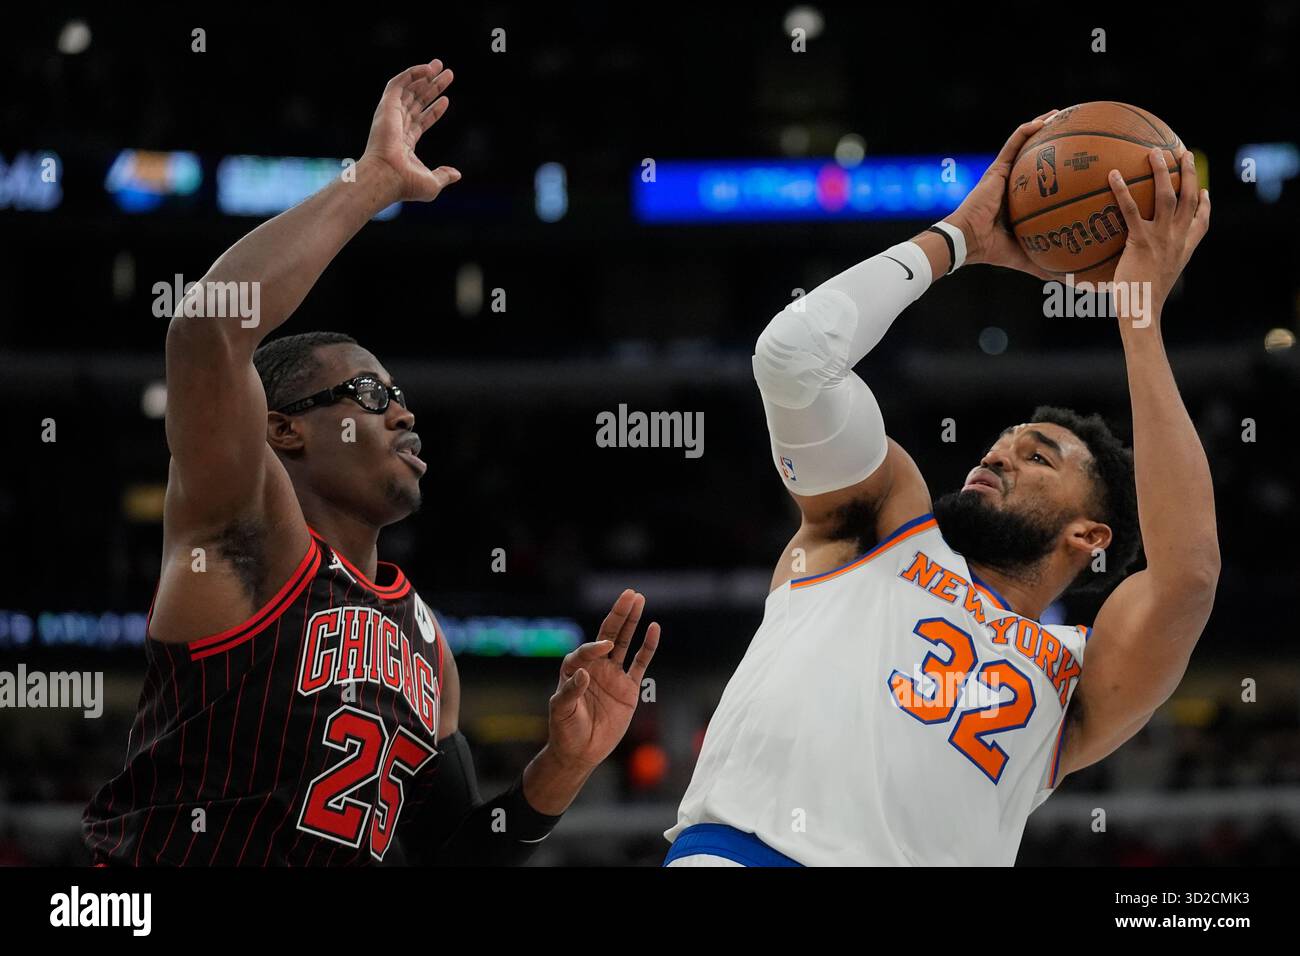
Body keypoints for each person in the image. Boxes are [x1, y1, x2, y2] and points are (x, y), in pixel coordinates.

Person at [83, 59, 660, 866]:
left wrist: (560, 770)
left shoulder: (431, 649)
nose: (403, 410)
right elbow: (208, 327)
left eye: (398, 393)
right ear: (283, 431)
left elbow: (449, 861)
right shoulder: (249, 539)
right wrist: (371, 182)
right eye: (365, 390)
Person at [665, 111, 1217, 866]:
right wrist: (956, 242)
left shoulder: (1073, 677)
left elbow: (1187, 577)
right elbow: (793, 358)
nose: (998, 457)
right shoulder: (883, 527)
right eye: (1001, 443)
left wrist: (1139, 318)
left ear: (1089, 535)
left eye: (1039, 457)